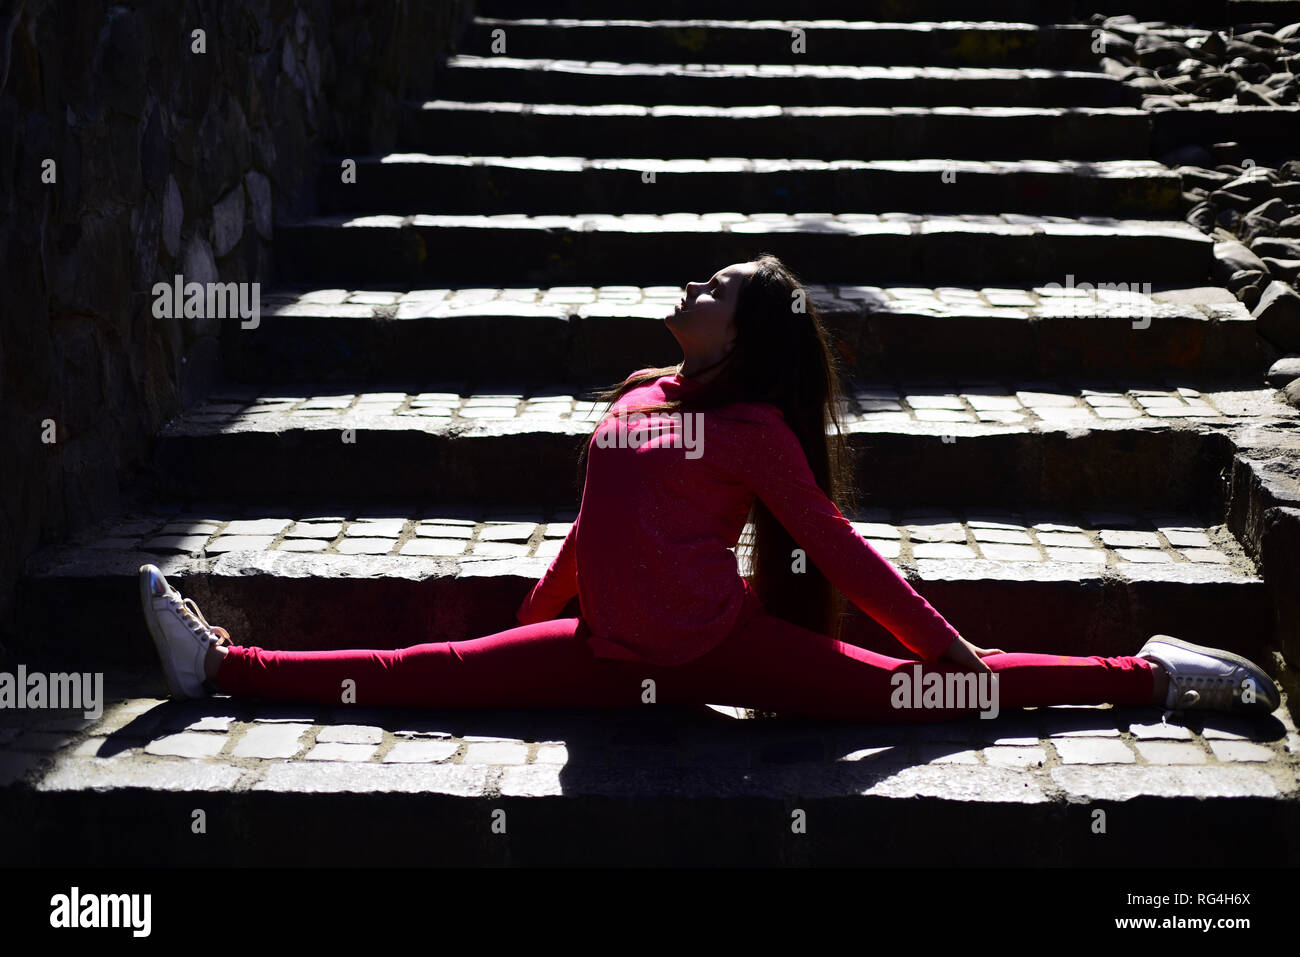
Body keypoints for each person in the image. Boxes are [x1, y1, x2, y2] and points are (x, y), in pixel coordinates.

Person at [139, 254, 1281, 722]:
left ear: (743, 336)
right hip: (605, 650)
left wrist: (952, 653)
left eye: (717, 286)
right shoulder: (640, 391)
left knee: (926, 704)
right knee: (422, 675)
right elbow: (591, 532)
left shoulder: (747, 430)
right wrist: (531, 631)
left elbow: (836, 551)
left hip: (715, 646)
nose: (694, 284)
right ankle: (216, 667)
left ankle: (1150, 676)